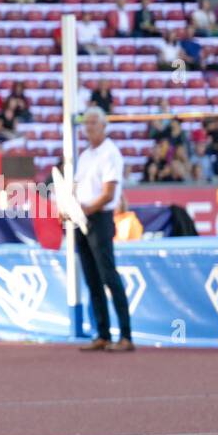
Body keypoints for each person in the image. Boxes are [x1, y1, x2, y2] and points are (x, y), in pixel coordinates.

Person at [72, 107, 132, 351]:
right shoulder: (86, 155)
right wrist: (71, 208)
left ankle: (125, 335)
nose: (89, 128)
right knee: (92, 279)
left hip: (99, 218)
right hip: (83, 218)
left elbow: (108, 194)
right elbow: (77, 188)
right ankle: (103, 333)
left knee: (109, 276)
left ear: (104, 125)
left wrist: (84, 210)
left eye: (93, 123)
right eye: (86, 123)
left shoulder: (110, 154)